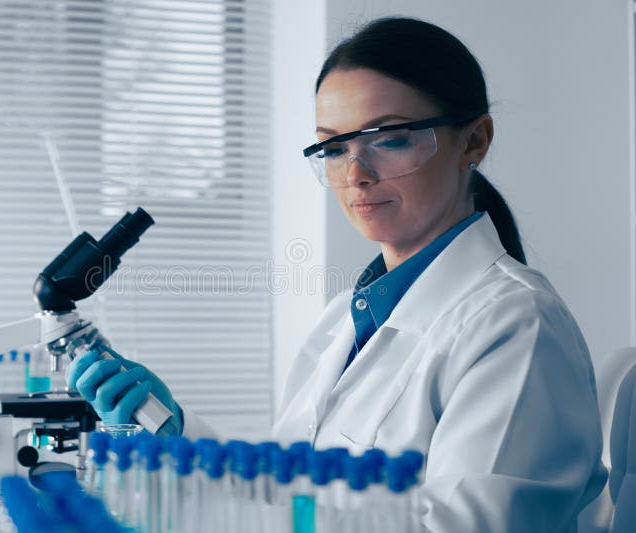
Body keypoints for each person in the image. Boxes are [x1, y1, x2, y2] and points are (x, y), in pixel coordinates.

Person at [66, 17, 607, 532]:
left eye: (390, 138)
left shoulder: (518, 326)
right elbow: (289, 490)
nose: (355, 174)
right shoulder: (347, 317)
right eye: (333, 147)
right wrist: (176, 437)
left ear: (474, 141)